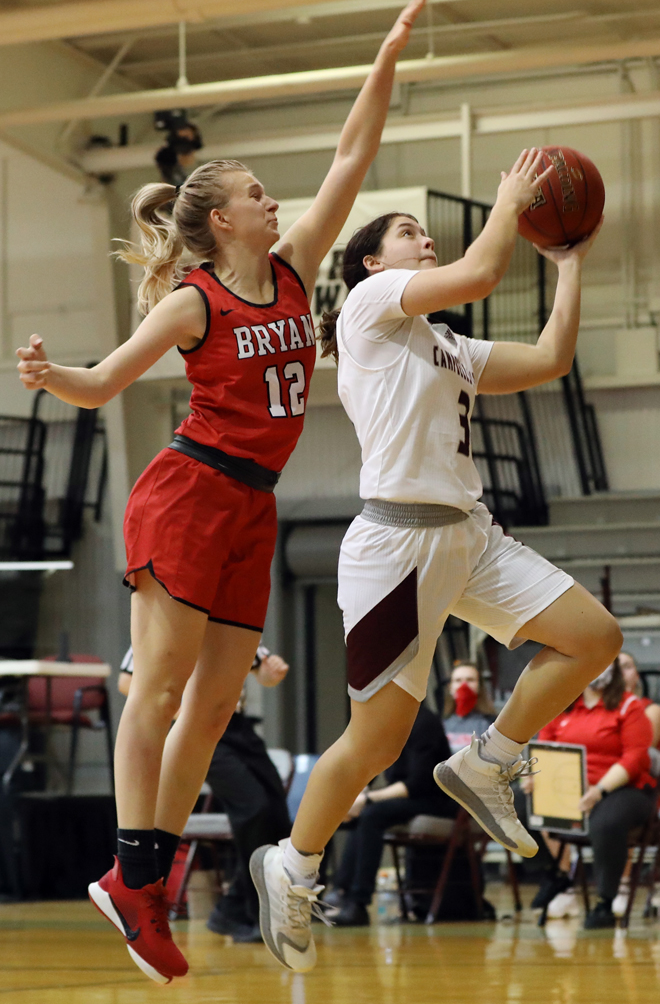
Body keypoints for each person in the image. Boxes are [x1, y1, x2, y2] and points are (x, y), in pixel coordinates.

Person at [16, 0, 435, 987]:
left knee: (211, 711)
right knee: (155, 691)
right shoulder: (192, 304)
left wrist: (390, 47)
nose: (272, 200)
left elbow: (351, 156)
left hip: (254, 502)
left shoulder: (292, 266)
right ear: (219, 220)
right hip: (188, 493)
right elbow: (105, 380)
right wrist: (48, 375)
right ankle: (133, 877)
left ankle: (143, 887)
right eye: (254, 193)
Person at [250, 163, 624, 974]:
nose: (425, 238)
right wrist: (511, 204)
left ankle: (487, 760)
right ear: (375, 263)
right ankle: (294, 864)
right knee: (374, 743)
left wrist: (568, 266)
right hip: (396, 547)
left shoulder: (447, 343)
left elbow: (554, 357)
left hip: (470, 537)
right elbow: (485, 269)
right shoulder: (367, 307)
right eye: (408, 233)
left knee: (594, 638)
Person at [115, 643, 292, 944]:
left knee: (276, 814)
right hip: (198, 729)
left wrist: (270, 672)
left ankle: (232, 909)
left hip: (236, 725)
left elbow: (261, 673)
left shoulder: (232, 617)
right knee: (254, 808)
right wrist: (181, 709)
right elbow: (126, 681)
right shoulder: (173, 618)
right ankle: (250, 912)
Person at [524, 659, 656, 929]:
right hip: (569, 790)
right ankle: (554, 873)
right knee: (512, 801)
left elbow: (634, 758)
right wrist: (532, 776)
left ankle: (604, 903)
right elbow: (543, 749)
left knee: (606, 821)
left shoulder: (629, 706)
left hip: (623, 790)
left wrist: (599, 790)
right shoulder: (563, 706)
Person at [325, 700, 454, 927]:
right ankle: (341, 891)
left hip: (436, 800)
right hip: (409, 796)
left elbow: (417, 784)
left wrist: (367, 798)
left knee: (372, 814)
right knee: (353, 813)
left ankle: (359, 902)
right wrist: (353, 796)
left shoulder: (424, 723)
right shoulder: (391, 723)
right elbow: (370, 766)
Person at [616, 651, 660, 745]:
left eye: (627, 667)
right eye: (615, 669)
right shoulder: (600, 708)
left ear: (637, 676)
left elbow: (641, 748)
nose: (621, 673)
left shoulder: (652, 710)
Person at [442, 660, 493, 752]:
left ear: (479, 686)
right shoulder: (441, 723)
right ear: (450, 687)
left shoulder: (493, 724)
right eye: (458, 680)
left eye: (470, 680)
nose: (464, 685)